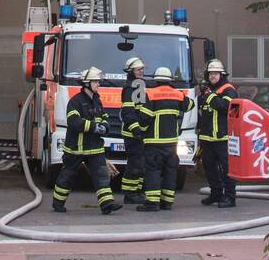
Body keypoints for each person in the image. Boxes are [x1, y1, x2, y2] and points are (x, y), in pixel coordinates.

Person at [52, 67, 120, 214]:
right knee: (67, 176)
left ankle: (107, 204)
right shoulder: (75, 101)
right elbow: (74, 122)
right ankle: (58, 203)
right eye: (96, 81)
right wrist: (95, 127)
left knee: (101, 175)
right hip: (75, 148)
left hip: (94, 148)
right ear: (87, 83)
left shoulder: (97, 101)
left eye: (98, 81)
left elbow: (104, 118)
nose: (98, 84)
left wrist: (105, 127)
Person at [135, 66, 195, 211]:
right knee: (170, 171)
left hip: (154, 142)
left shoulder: (150, 94)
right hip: (171, 142)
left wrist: (141, 131)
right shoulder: (178, 94)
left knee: (153, 171)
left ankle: (152, 203)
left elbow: (144, 118)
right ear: (170, 81)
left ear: (156, 81)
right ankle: (167, 202)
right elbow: (190, 105)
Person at [198, 59, 238, 208]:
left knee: (227, 169)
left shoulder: (228, 90)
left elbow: (226, 107)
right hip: (207, 137)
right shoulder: (208, 89)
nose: (212, 76)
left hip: (222, 137)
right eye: (210, 73)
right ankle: (216, 194)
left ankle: (230, 197)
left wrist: (210, 97)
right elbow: (201, 106)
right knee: (208, 167)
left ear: (221, 74)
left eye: (215, 73)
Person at [119, 56, 148, 204]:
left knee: (141, 163)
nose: (141, 71)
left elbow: (141, 109)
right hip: (132, 134)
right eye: (138, 69)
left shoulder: (139, 85)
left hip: (140, 133)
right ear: (131, 71)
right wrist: (136, 130)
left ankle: (136, 191)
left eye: (142, 68)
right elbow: (128, 113)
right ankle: (130, 194)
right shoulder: (130, 88)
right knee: (135, 163)